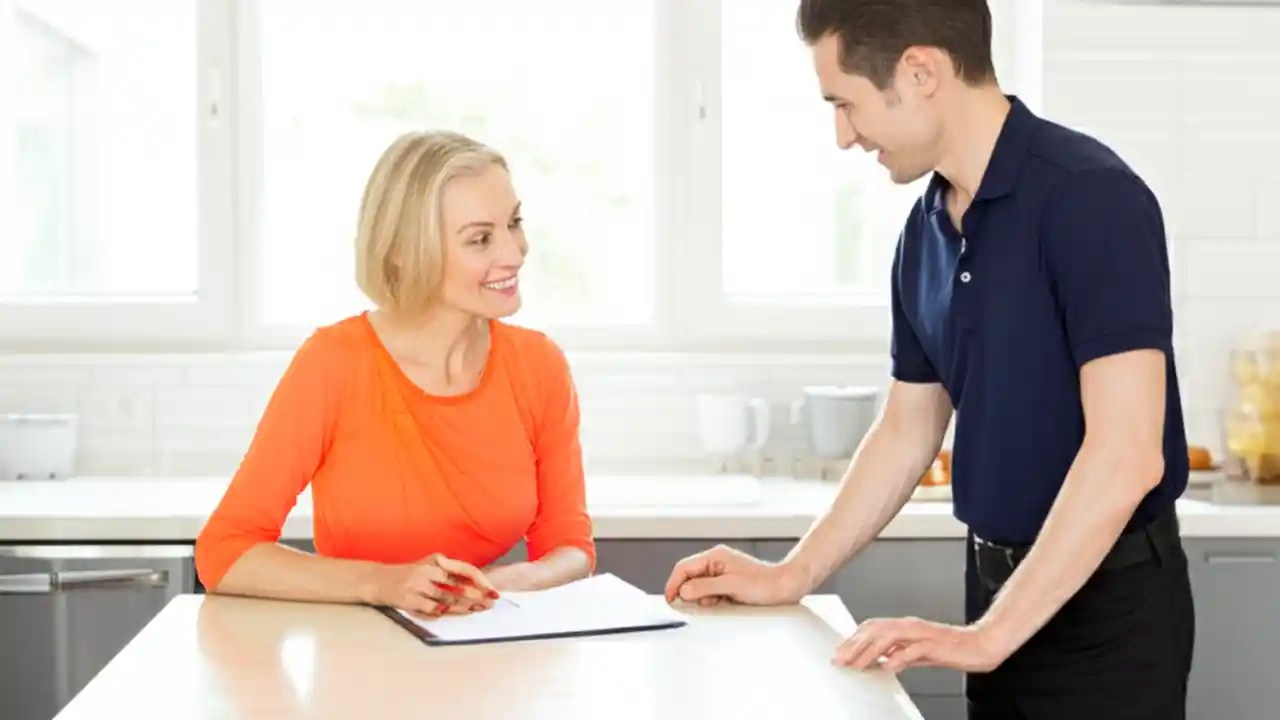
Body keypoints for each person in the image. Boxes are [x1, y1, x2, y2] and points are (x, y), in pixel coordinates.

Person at [665, 1, 1194, 718]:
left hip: (1107, 621)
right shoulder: (926, 231)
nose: (844, 136)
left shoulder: (1090, 197)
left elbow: (1128, 453)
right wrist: (792, 573)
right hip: (995, 595)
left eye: (846, 104)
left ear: (920, 72)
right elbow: (907, 429)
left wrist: (989, 637)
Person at [196, 131, 595, 618]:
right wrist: (384, 583)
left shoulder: (539, 365)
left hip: (490, 657)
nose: (515, 252)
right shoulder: (335, 362)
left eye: (514, 223)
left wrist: (492, 585)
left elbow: (571, 549)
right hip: (360, 666)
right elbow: (225, 551)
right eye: (481, 239)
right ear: (405, 250)